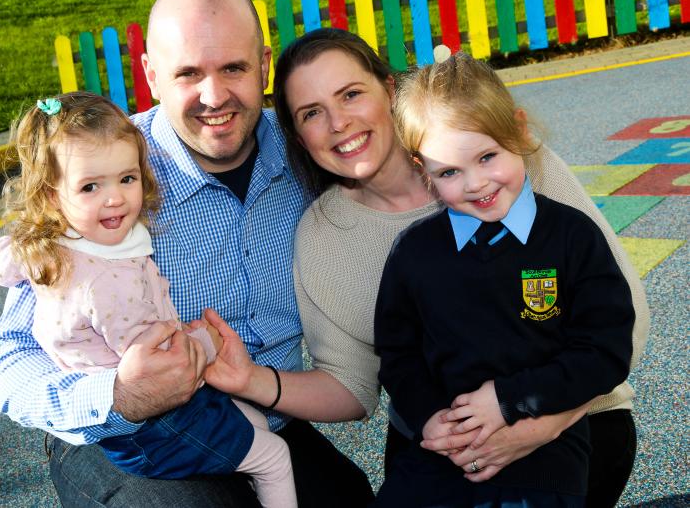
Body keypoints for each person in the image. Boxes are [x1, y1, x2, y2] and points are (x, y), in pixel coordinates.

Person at [203, 28, 648, 508]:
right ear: (297, 134)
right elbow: (356, 383)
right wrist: (250, 380)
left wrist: (533, 422)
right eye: (312, 113)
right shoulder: (324, 235)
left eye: (351, 94)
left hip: (576, 420)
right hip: (441, 438)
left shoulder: (511, 167)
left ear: (390, 90)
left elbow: (625, 326)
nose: (338, 122)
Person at [0, 0, 374, 507]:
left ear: (263, 64)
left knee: (352, 497)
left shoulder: (310, 150)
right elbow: (9, 355)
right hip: (121, 432)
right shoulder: (103, 175)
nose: (214, 97)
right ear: (151, 75)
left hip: (258, 416)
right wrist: (119, 396)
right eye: (189, 73)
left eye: (233, 68)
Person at [0, 92, 296, 507]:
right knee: (273, 456)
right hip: (146, 424)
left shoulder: (55, 242)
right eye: (91, 187)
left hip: (201, 400)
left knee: (308, 468)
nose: (114, 198)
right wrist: (210, 342)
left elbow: (3, 261)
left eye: (127, 180)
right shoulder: (106, 278)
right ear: (52, 195)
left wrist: (20, 245)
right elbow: (159, 362)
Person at [371, 48, 635, 506]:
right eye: (450, 171)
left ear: (517, 129)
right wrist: (430, 417)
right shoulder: (414, 252)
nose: (475, 183)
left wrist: (510, 399)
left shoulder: (571, 236)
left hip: (544, 449)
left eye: (487, 156)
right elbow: (398, 352)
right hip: (441, 451)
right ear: (424, 172)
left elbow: (605, 351)